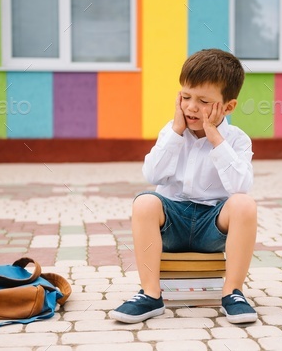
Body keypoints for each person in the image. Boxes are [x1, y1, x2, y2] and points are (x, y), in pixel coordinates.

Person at [109, 49, 258, 324]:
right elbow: (151, 173)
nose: (190, 107)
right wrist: (176, 134)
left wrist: (215, 139)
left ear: (227, 107)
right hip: (172, 223)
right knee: (145, 201)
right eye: (186, 97)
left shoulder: (237, 140)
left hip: (211, 227)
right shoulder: (172, 131)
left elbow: (240, 187)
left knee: (245, 204)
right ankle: (151, 295)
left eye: (203, 101)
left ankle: (233, 293)